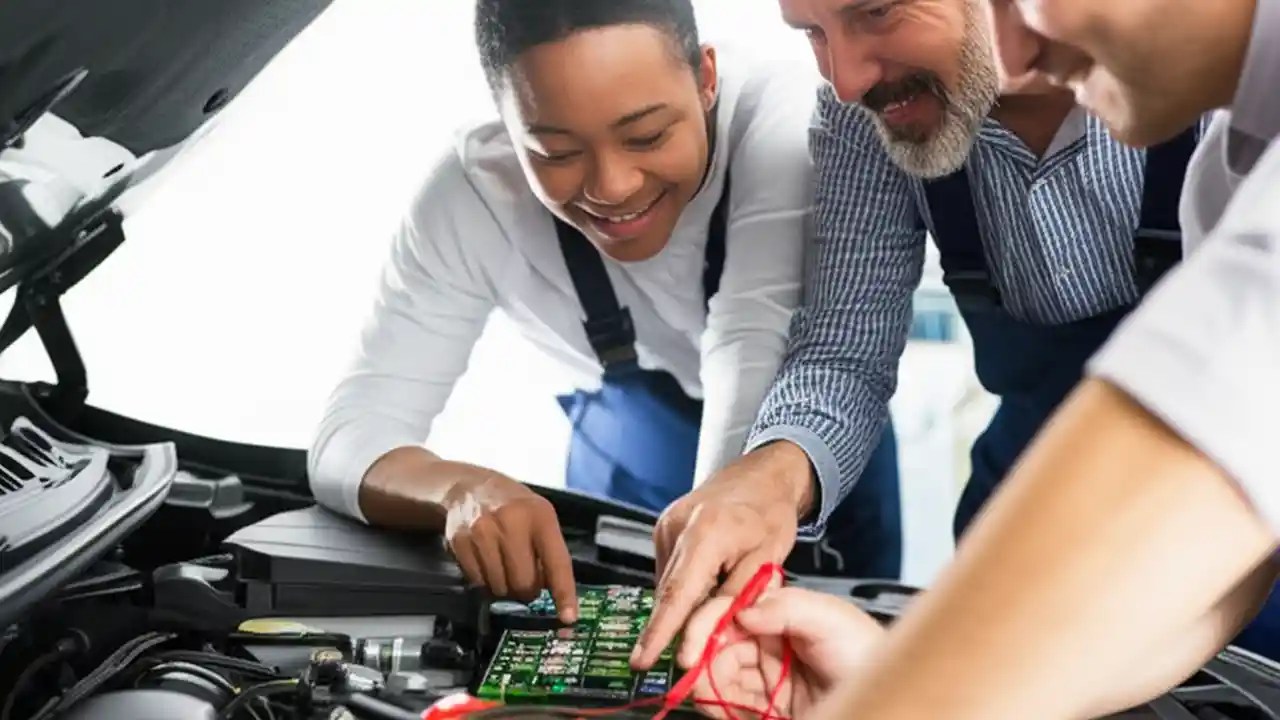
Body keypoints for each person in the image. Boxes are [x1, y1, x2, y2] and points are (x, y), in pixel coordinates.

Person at [683, 0, 1280, 717]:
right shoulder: (1228, 171)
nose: (841, 81)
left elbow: (1211, 446)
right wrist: (901, 671)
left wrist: (910, 695)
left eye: (876, 12)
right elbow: (1210, 588)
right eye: (810, 34)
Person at [307, 0, 902, 618]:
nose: (612, 187)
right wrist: (460, 490)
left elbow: (750, 333)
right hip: (628, 451)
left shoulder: (783, 123)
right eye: (556, 153)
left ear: (705, 79)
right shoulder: (472, 197)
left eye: (646, 136)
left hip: (800, 439)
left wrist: (708, 557)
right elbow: (346, 439)